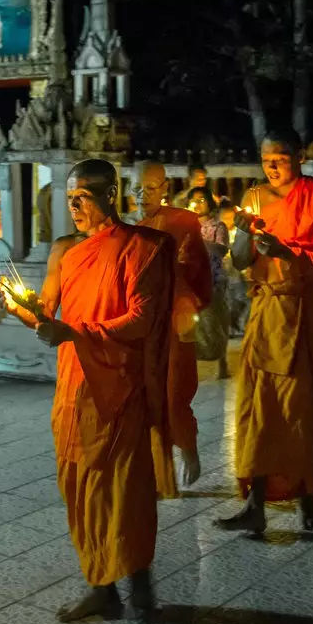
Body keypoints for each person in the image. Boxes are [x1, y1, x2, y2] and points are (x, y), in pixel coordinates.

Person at [0, 158, 177, 622]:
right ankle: (102, 587)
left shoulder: (145, 246)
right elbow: (47, 315)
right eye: (70, 198)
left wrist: (75, 333)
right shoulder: (65, 250)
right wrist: (20, 306)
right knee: (79, 486)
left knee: (125, 489)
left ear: (110, 195)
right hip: (74, 385)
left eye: (84, 197)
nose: (75, 206)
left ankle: (139, 584)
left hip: (120, 385)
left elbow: (140, 320)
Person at [215, 130, 313, 534]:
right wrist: (242, 232)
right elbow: (241, 260)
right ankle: (254, 503)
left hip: (309, 310)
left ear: (298, 157)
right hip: (268, 311)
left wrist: (290, 253)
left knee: (304, 409)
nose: (272, 167)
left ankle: (308, 498)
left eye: (280, 158)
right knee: (258, 410)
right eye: (266, 160)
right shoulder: (255, 199)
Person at [135, 161, 211, 498]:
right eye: (137, 187)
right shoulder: (131, 228)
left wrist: (187, 300)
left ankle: (188, 446)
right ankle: (158, 475)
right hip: (144, 323)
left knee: (176, 390)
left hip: (177, 315)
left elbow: (199, 270)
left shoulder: (182, 221)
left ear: (165, 188)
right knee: (147, 396)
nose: (143, 194)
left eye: (151, 188)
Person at [188, 185, 231, 379]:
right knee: (193, 324)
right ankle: (192, 366)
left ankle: (223, 363)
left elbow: (222, 249)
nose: (197, 204)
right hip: (191, 280)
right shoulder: (186, 226)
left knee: (215, 320)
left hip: (213, 279)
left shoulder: (218, 226)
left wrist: (200, 243)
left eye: (201, 200)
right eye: (194, 200)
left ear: (210, 203)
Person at [219, 200, 249, 336]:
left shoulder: (239, 231)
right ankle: (230, 327)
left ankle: (237, 324)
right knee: (228, 300)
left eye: (230, 218)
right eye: (224, 218)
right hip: (223, 273)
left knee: (241, 298)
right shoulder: (218, 231)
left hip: (238, 273)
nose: (228, 221)